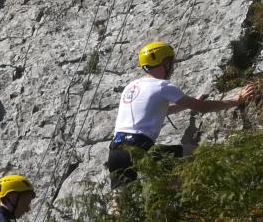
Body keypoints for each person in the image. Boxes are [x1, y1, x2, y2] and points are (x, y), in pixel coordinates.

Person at [107, 41, 254, 188]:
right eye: (171, 62)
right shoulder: (163, 86)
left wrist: (187, 104)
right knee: (192, 152)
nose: (173, 67)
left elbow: (158, 111)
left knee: (122, 200)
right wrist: (236, 100)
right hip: (140, 146)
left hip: (116, 149)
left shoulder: (131, 87)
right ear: (164, 63)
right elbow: (202, 108)